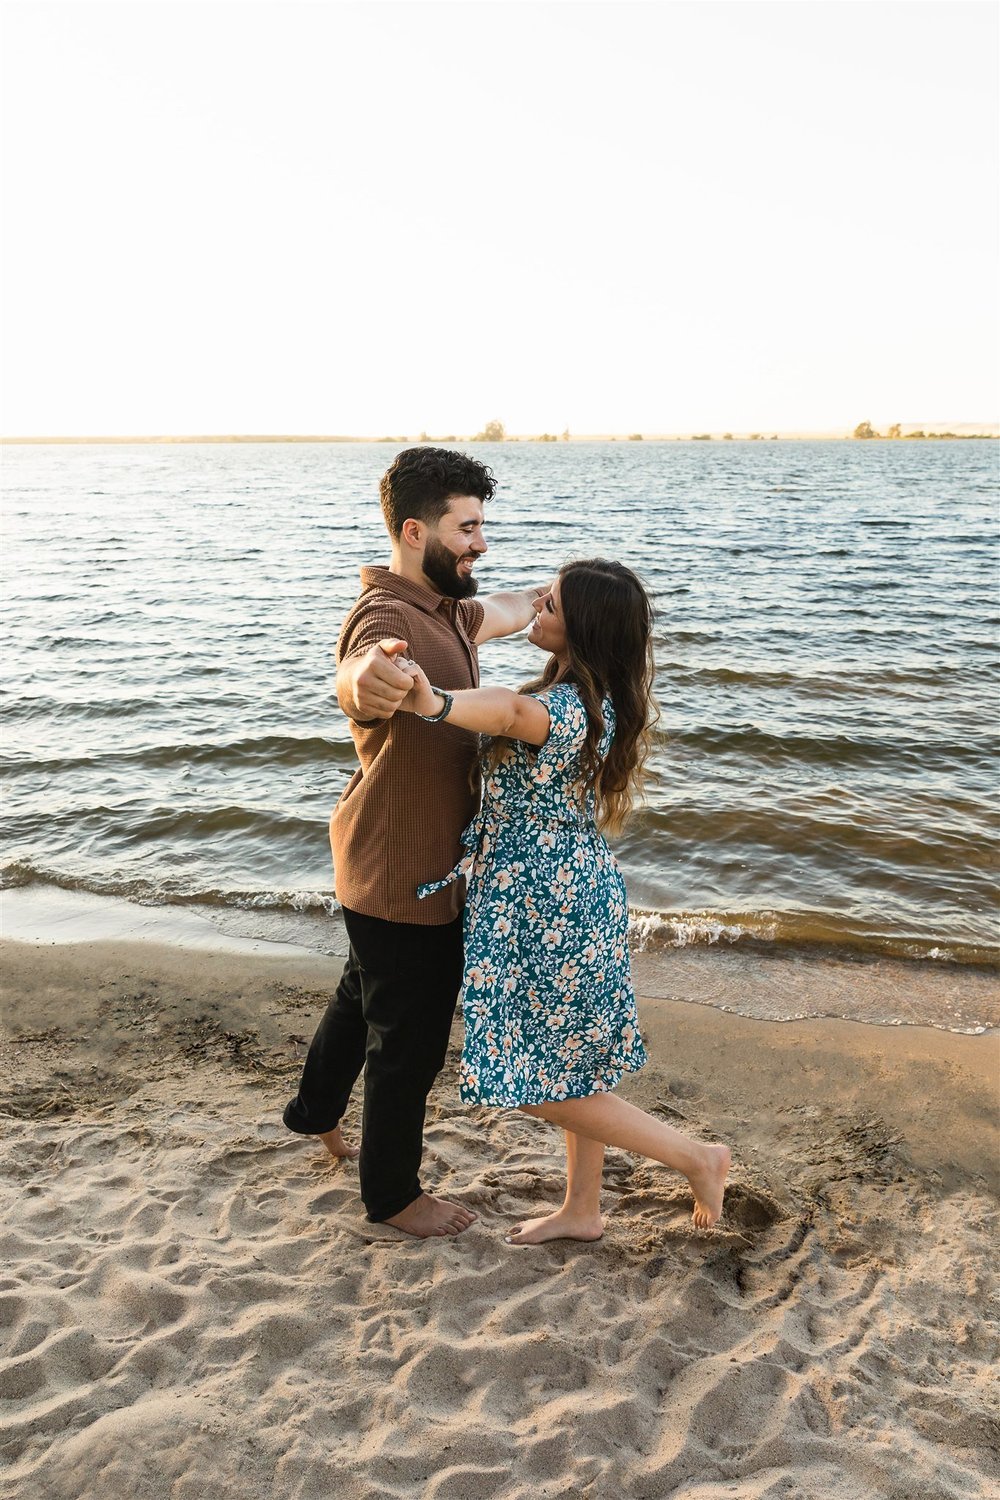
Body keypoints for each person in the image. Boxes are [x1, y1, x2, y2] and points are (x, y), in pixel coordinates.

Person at [396, 559, 731, 1244]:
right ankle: (583, 1209)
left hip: (546, 901)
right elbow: (516, 706)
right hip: (570, 888)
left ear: (585, 627)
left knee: (537, 1080)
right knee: (575, 1060)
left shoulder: (562, 710)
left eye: (554, 601)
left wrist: (435, 702)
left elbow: (512, 712)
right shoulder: (593, 697)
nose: (540, 602)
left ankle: (697, 1157)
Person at [283, 447, 545, 1238]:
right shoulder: (388, 620)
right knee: (412, 1039)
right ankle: (392, 1199)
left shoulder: (448, 610)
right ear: (411, 530)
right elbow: (359, 675)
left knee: (361, 996)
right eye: (466, 528)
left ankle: (314, 1114)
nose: (479, 543)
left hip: (394, 865)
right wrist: (366, 682)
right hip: (402, 873)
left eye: (481, 527)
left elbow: (500, 609)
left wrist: (549, 597)